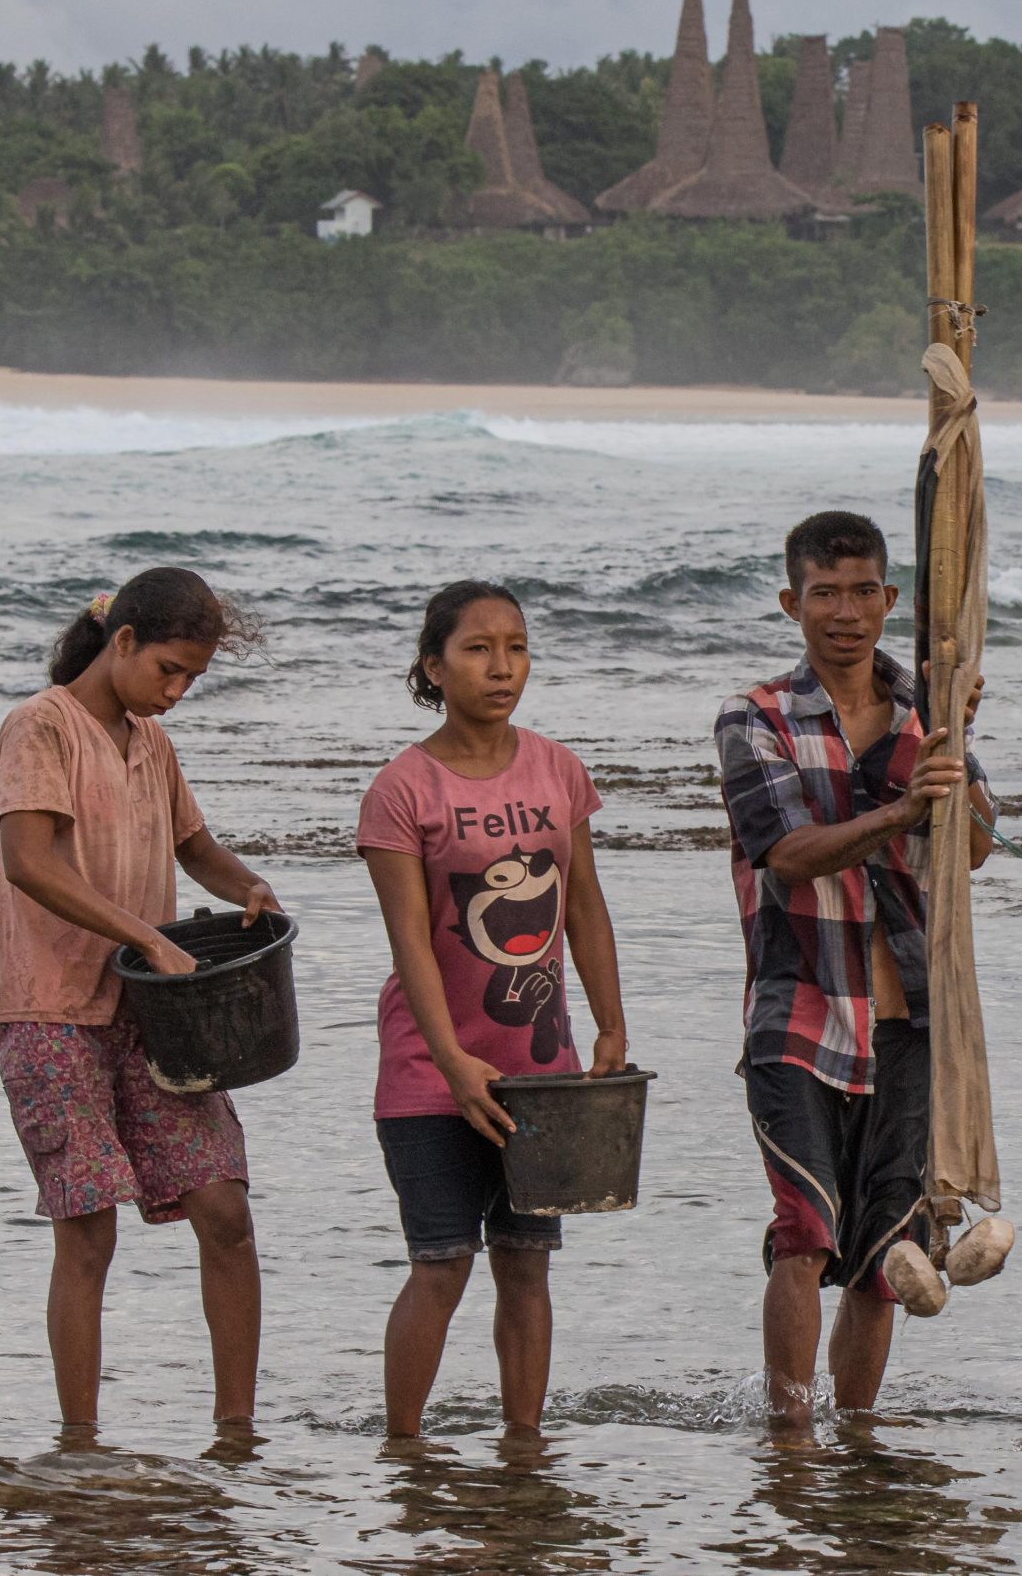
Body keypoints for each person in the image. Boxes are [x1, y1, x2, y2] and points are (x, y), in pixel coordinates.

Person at [715, 511, 1006, 1432]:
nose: (845, 612)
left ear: (889, 599)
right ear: (790, 602)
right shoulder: (755, 717)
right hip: (798, 1010)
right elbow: (788, 853)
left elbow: (976, 848)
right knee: (804, 1234)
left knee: (890, 1253)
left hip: (909, 1016)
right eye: (824, 593)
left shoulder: (926, 710)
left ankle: (859, 1436)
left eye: (862, 592)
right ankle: (792, 1436)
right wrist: (900, 810)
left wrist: (954, 740)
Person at [0, 565, 280, 1433]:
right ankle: (81, 1444)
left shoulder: (152, 742)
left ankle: (237, 1433)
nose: (178, 691)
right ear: (122, 641)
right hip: (53, 1015)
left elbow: (196, 847)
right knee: (88, 1231)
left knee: (224, 1208)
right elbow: (28, 862)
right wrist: (145, 937)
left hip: (156, 1016)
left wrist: (248, 885)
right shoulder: (40, 726)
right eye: (168, 670)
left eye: (193, 677)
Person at [357, 579, 631, 1439]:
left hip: (538, 1074)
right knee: (441, 1266)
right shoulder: (402, 789)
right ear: (434, 667)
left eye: (515, 647)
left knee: (526, 1264)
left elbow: (583, 904)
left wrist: (611, 1023)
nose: (501, 666)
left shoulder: (558, 769)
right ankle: (404, 1449)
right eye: (477, 649)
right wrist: (451, 1061)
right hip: (428, 1075)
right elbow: (410, 941)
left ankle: (524, 1448)